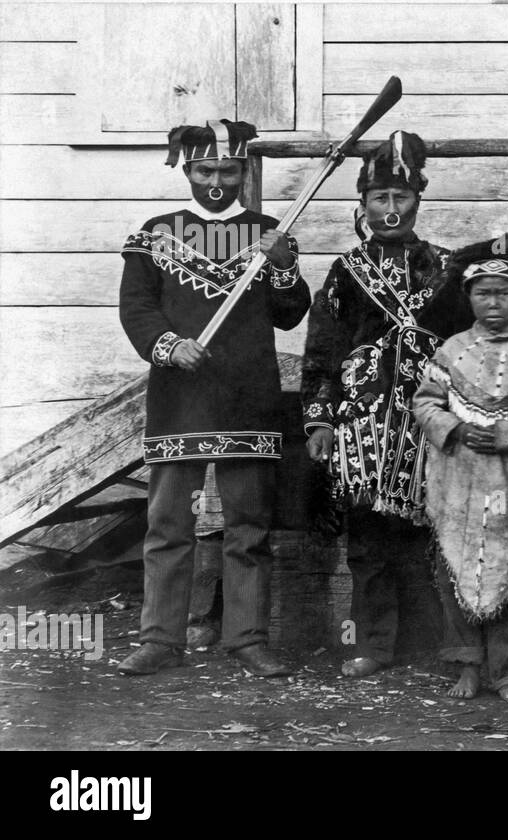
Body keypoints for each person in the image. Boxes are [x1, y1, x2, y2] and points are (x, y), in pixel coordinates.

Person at [117, 119, 310, 677]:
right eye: (206, 170)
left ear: (244, 170)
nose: (217, 181)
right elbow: (137, 309)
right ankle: (159, 639)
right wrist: (168, 345)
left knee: (248, 526)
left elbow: (290, 312)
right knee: (167, 523)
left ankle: (247, 639)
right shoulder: (155, 234)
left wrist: (283, 266)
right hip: (180, 395)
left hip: (248, 395)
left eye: (229, 170)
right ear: (187, 170)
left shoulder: (272, 229)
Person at [300, 130, 474, 678]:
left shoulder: (448, 271)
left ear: (417, 202)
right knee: (369, 542)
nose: (391, 209)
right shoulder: (345, 273)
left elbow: (472, 347)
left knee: (436, 535)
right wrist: (321, 419)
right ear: (364, 205)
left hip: (430, 423)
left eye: (401, 198)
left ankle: (440, 646)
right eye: (380, 199)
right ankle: (374, 645)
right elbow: (324, 350)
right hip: (363, 428)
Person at [412, 236, 508, 702]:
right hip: (456, 481)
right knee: (454, 574)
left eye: (504, 292)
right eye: (483, 292)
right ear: (469, 296)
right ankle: (467, 667)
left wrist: (507, 435)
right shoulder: (452, 349)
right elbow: (424, 403)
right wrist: (456, 429)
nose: (493, 302)